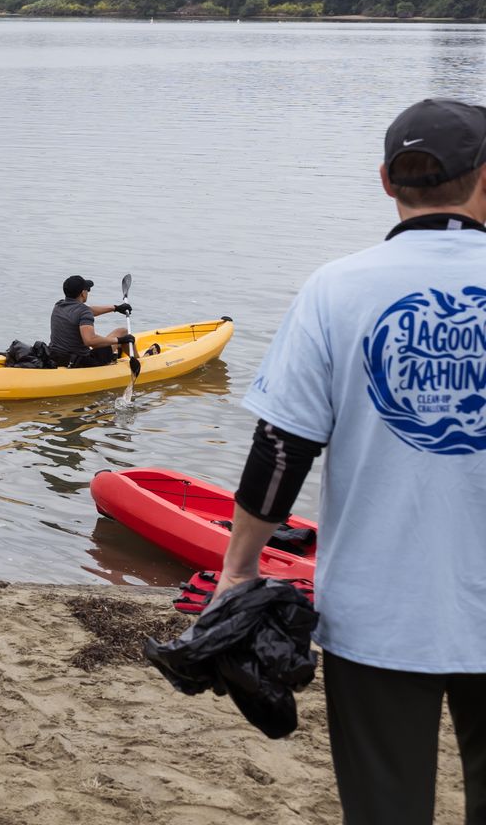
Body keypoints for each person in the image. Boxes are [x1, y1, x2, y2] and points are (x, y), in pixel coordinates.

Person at [214, 98, 486, 825]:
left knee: (386, 809)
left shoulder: (337, 288)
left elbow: (283, 448)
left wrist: (237, 572)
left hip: (378, 611)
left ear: (385, 181)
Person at [46, 275, 134, 366]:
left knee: (116, 341)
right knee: (122, 332)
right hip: (81, 362)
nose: (88, 292)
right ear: (82, 293)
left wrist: (115, 308)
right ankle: (140, 362)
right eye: (87, 289)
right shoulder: (83, 311)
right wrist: (119, 340)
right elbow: (90, 341)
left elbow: (88, 311)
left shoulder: (59, 306)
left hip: (56, 357)